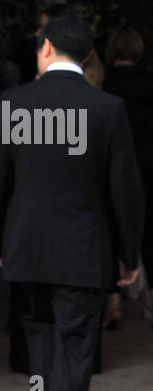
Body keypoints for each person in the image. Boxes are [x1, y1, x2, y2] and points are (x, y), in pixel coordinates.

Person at [0, 9, 144, 391]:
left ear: (47, 47)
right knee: (74, 354)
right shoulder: (107, 108)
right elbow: (126, 192)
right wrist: (128, 255)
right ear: (89, 54)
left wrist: (0, 246)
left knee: (42, 343)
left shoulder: (12, 102)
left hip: (27, 253)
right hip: (83, 254)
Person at [104, 25, 153, 324]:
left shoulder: (104, 87)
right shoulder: (150, 83)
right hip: (149, 166)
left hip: (116, 169)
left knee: (111, 233)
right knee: (152, 234)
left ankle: (113, 306)